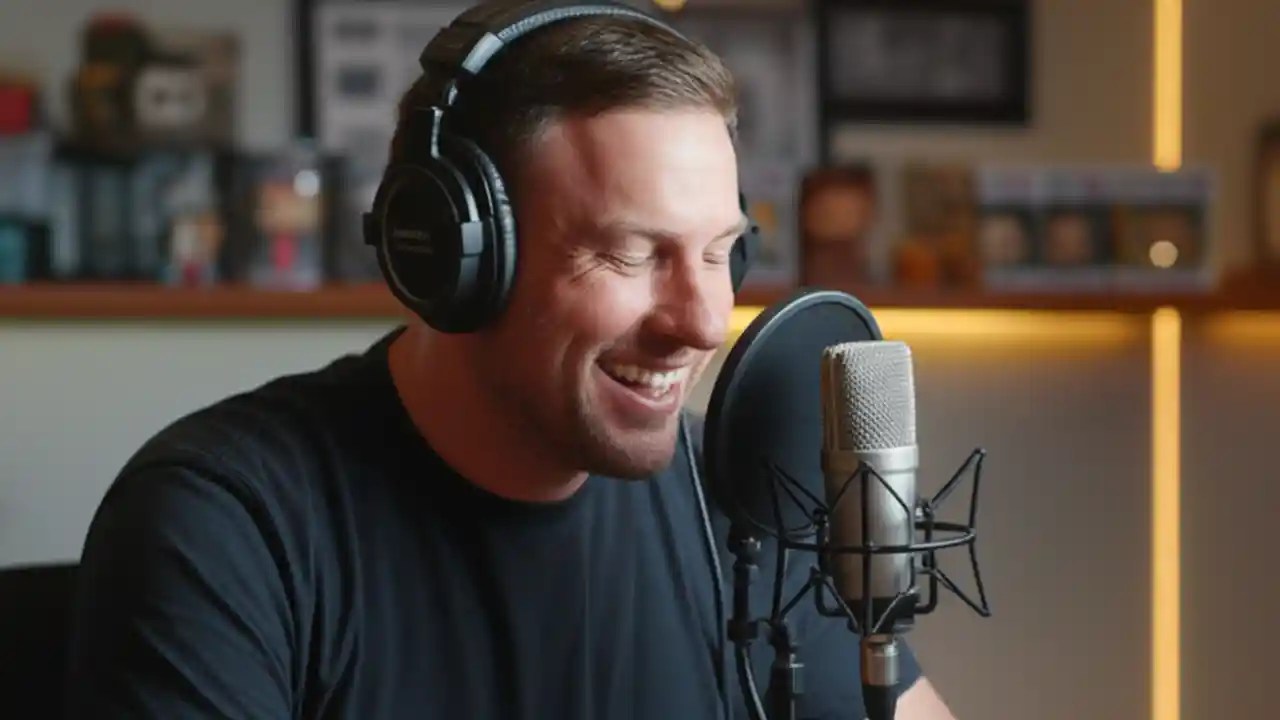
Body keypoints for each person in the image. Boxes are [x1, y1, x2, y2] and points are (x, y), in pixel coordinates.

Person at [65, 2, 957, 718]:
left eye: (722, 252)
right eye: (632, 254)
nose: (703, 322)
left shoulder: (737, 502)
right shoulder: (228, 524)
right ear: (456, 256)